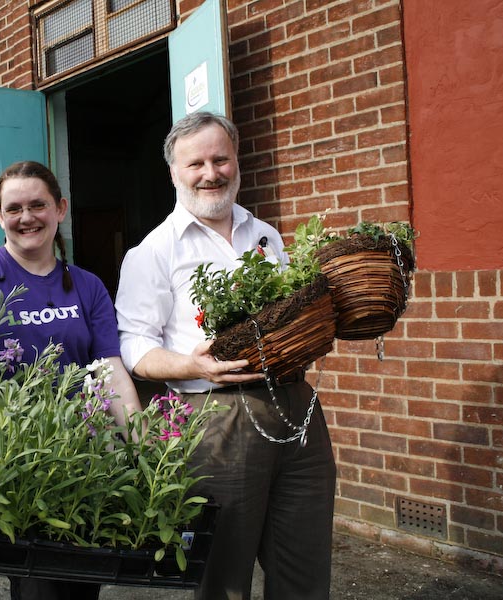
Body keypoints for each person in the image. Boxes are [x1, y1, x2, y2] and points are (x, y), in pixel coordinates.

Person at [114, 111, 337, 600]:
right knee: (222, 577)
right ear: (174, 172)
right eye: (196, 163)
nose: (210, 173)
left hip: (297, 407)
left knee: (305, 569)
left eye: (221, 159)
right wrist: (190, 365)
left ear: (237, 162)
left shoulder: (267, 236)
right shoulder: (154, 252)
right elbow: (132, 343)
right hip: (217, 417)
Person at [0, 160, 141, 600]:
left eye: (38, 205)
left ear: (61, 209)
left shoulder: (88, 286)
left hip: (83, 465)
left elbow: (111, 371)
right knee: (37, 588)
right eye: (13, 208)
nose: (26, 217)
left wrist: (140, 442)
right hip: (11, 469)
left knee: (81, 586)